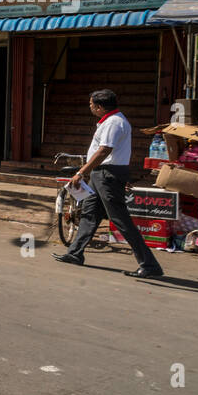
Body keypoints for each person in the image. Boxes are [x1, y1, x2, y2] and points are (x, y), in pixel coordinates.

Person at [54, 89, 164, 279]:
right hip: (102, 174)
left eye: (91, 104)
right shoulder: (111, 121)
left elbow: (104, 151)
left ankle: (150, 265)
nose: (90, 107)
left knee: (121, 220)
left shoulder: (114, 122)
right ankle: (75, 253)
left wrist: (82, 172)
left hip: (107, 174)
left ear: (100, 106)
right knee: (90, 213)